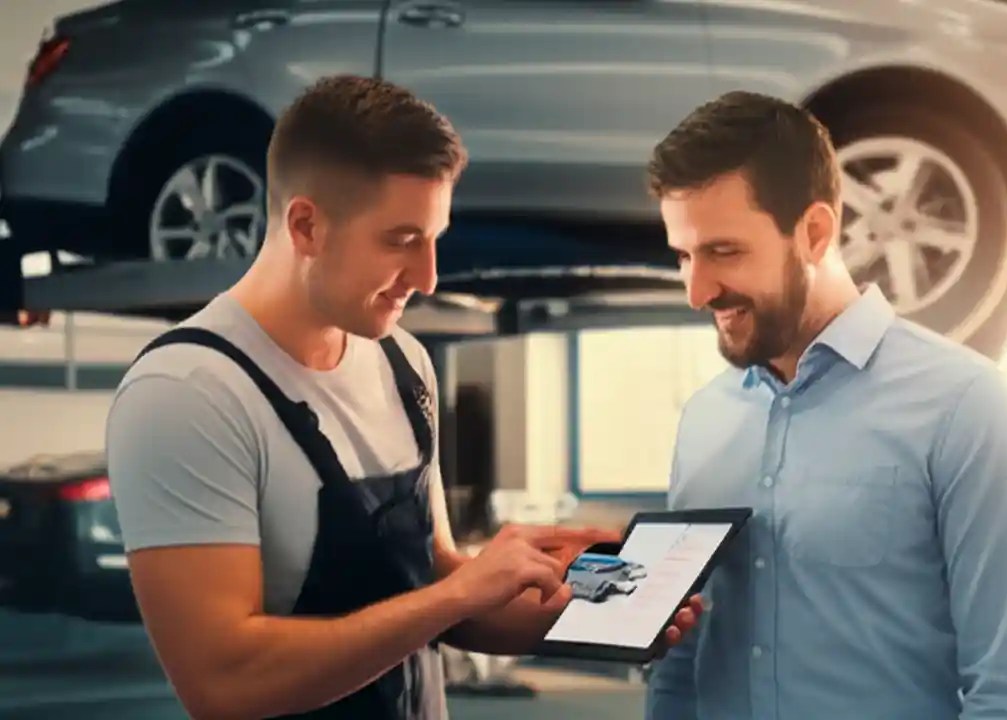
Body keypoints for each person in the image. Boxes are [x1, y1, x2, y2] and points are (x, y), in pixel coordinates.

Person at [104, 75, 700, 720]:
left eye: (434, 237)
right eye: (401, 240)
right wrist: (462, 592)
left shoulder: (402, 362)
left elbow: (435, 586)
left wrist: (584, 603)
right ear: (306, 225)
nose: (428, 276)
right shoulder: (189, 394)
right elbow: (224, 683)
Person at [643, 91, 1007, 719]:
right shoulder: (704, 420)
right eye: (683, 256)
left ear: (814, 232)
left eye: (723, 252)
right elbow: (679, 666)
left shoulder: (968, 408)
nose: (697, 290)